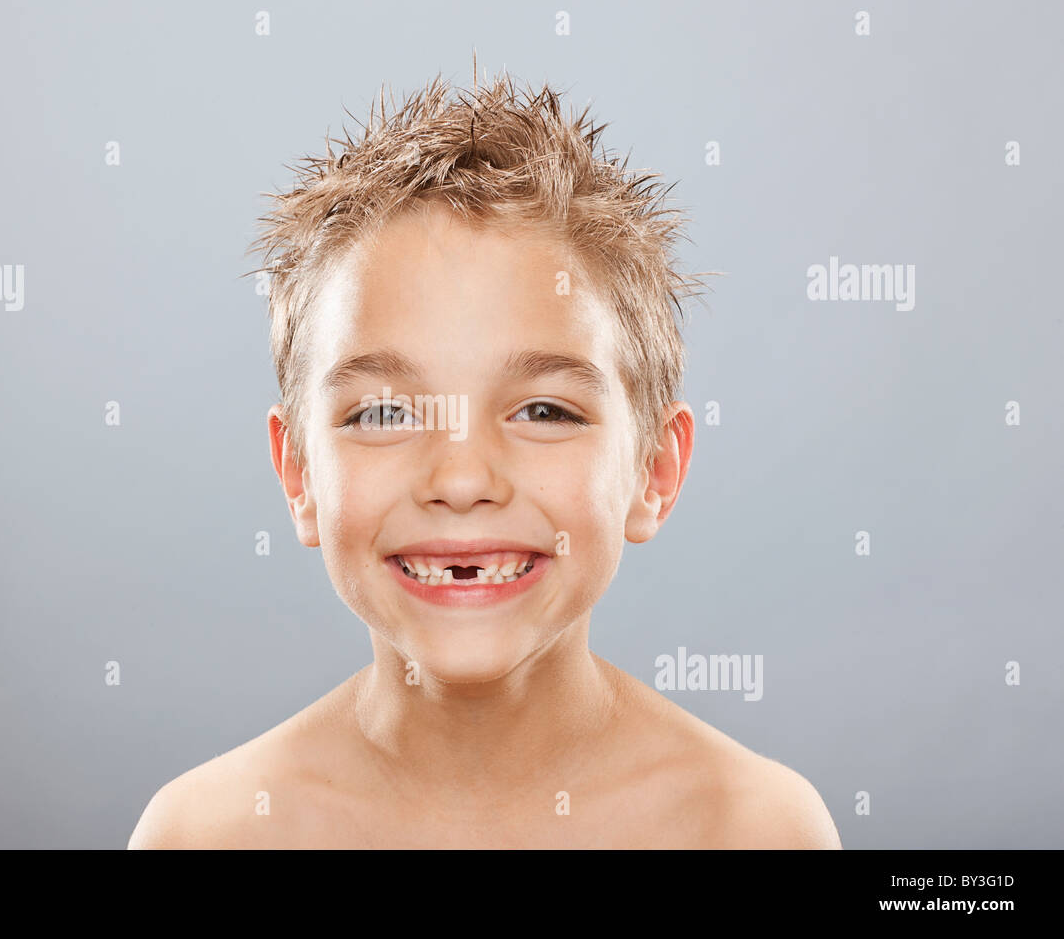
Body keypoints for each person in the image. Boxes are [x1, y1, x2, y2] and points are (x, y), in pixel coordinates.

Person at [129, 70, 841, 848]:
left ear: (654, 472)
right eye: (384, 413)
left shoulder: (752, 826)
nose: (462, 480)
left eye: (544, 411)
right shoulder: (204, 833)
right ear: (298, 473)